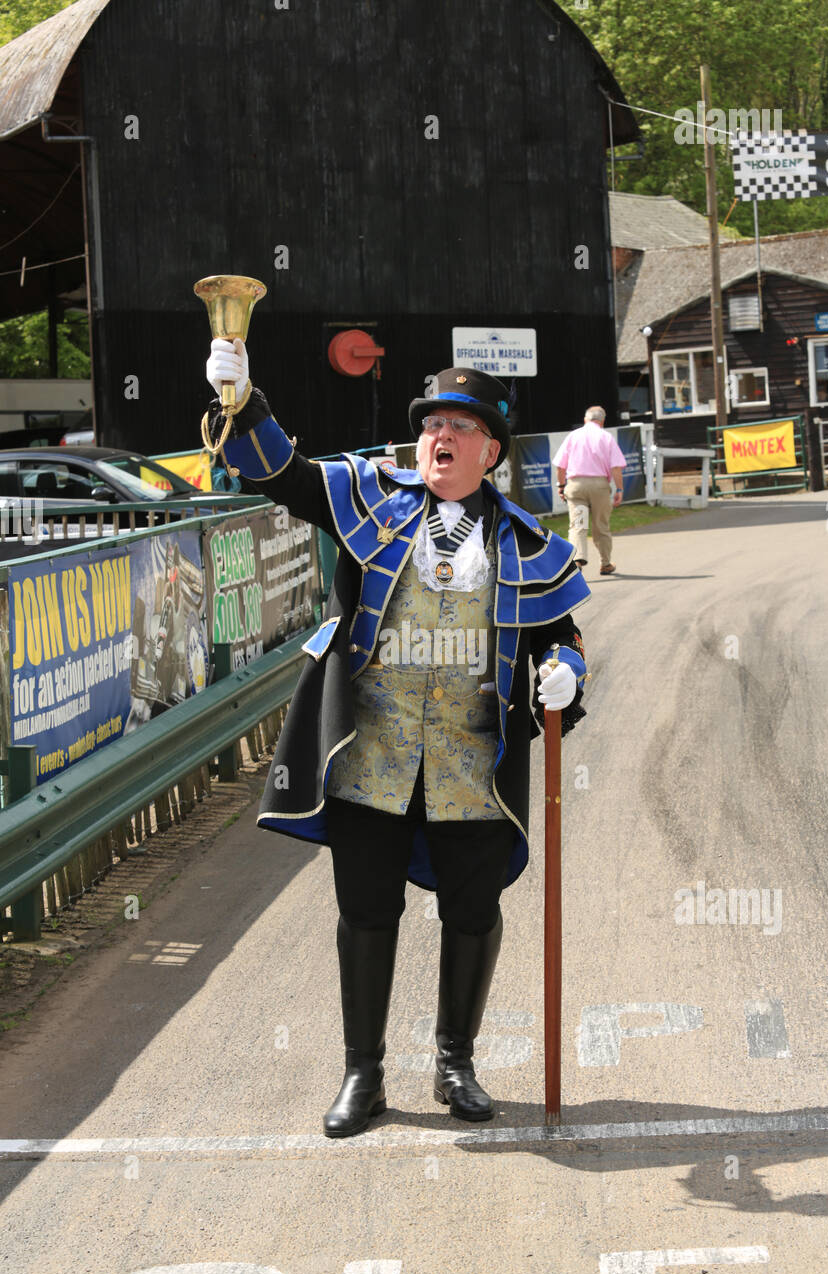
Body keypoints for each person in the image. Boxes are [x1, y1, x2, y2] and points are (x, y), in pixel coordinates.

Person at [204, 341, 590, 1138]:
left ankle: (457, 1063)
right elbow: (286, 475)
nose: (441, 436)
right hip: (370, 758)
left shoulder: (527, 544)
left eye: (461, 426)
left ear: (490, 450)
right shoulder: (370, 499)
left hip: (471, 766)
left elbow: (562, 633)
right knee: (366, 910)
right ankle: (364, 1074)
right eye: (432, 425)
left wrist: (564, 673)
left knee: (474, 913)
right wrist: (246, 401)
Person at [553, 405, 626, 574]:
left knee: (578, 524)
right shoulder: (606, 437)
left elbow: (560, 466)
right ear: (602, 421)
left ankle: (578, 559)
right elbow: (616, 468)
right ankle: (606, 563)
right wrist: (620, 490)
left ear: (585, 420)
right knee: (601, 525)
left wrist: (561, 485)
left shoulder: (573, 436)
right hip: (599, 486)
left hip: (576, 485)